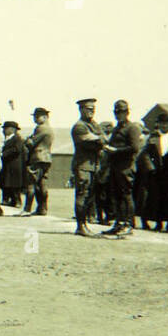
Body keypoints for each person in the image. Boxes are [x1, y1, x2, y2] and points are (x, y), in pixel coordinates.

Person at [100, 99, 144, 236]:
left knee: (126, 195)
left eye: (122, 112)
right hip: (115, 167)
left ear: (127, 112)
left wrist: (116, 150)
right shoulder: (117, 128)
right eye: (117, 112)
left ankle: (128, 224)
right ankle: (119, 223)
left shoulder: (132, 128)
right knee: (116, 196)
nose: (118, 114)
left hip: (125, 167)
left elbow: (134, 148)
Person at [70, 97, 104, 237]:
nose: (92, 111)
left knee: (89, 196)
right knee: (82, 194)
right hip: (83, 165)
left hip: (93, 165)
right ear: (81, 109)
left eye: (93, 109)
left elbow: (102, 138)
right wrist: (98, 139)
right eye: (88, 109)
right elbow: (90, 140)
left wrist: (98, 139)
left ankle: (84, 224)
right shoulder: (79, 126)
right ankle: (80, 225)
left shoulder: (94, 125)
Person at [23, 107, 54, 215]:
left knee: (31, 183)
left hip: (37, 157)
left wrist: (27, 140)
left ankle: (27, 209)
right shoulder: (50, 129)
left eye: (37, 116)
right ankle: (43, 208)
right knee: (42, 184)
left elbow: (31, 143)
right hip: (46, 158)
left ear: (45, 117)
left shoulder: (40, 128)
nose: (35, 119)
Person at [134, 125, 163, 230]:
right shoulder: (150, 140)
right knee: (145, 197)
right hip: (149, 173)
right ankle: (144, 221)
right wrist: (150, 168)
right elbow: (144, 155)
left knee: (159, 197)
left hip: (161, 173)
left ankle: (159, 222)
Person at [0, 121, 25, 207]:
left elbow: (16, 149)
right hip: (8, 164)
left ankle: (17, 201)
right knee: (7, 183)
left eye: (6, 128)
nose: (4, 130)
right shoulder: (6, 138)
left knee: (15, 184)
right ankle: (10, 200)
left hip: (15, 164)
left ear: (12, 129)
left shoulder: (17, 138)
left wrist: (4, 154)